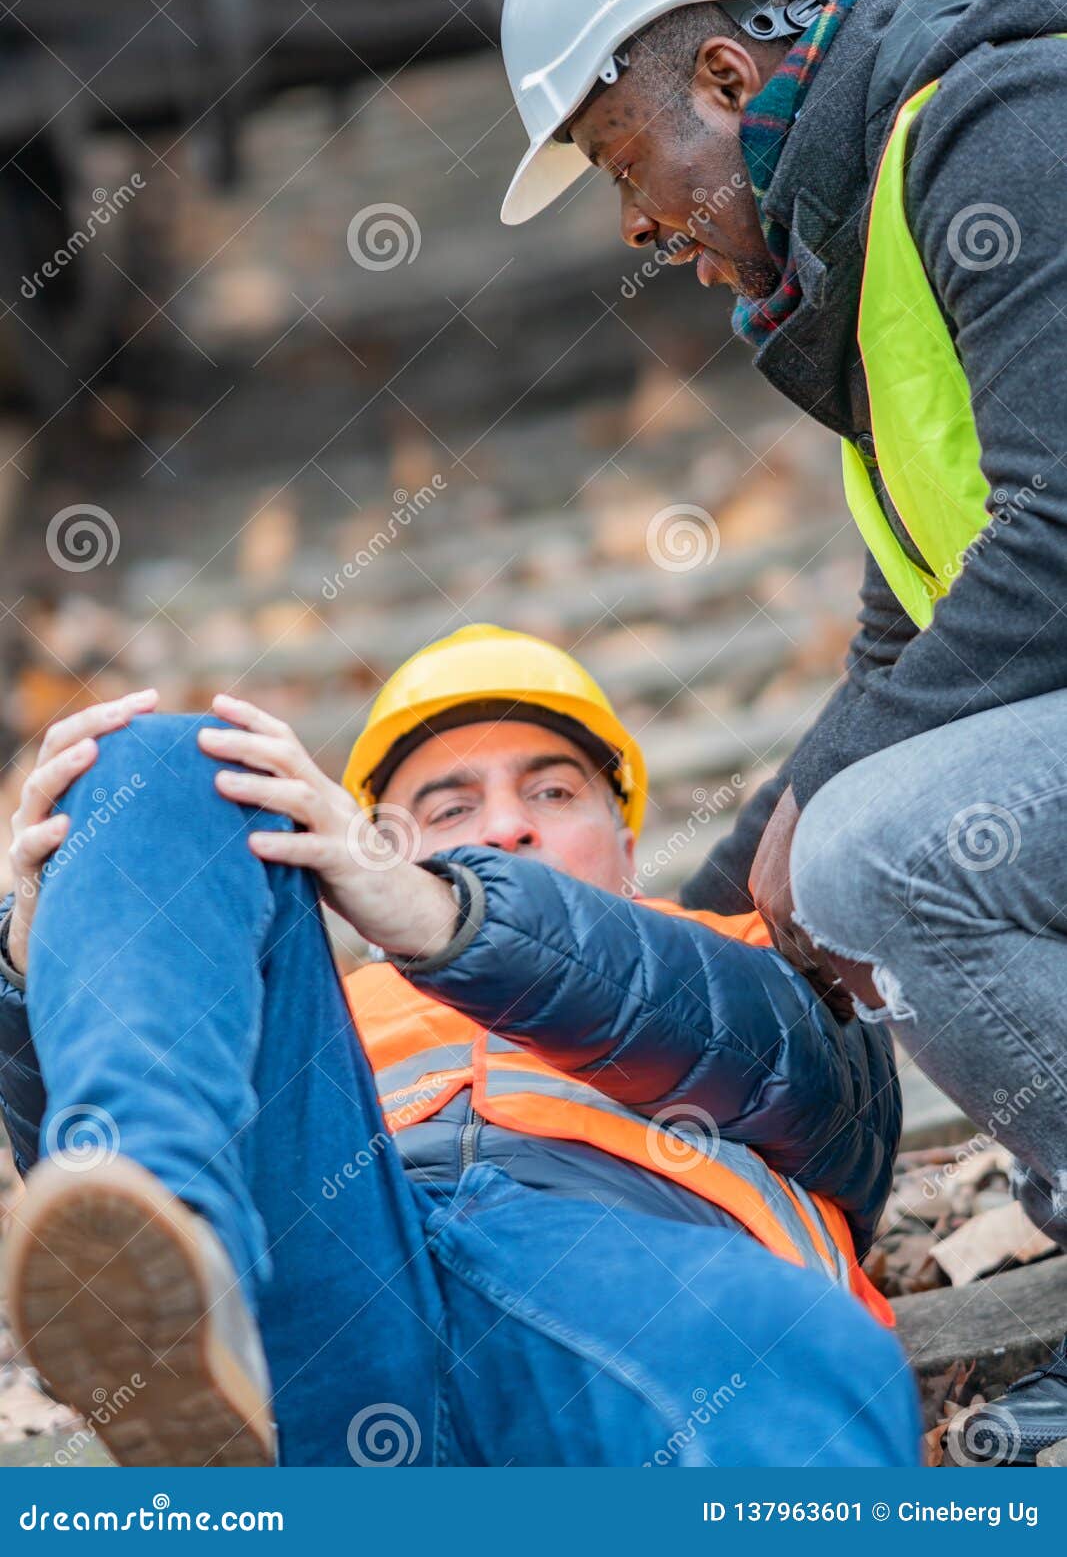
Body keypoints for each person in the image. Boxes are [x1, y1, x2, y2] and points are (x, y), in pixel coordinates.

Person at [499, 0, 1067, 1462]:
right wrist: (699, 907)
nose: (632, 223)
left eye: (624, 160)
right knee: (827, 839)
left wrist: (808, 850)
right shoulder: (872, 239)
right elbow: (915, 637)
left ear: (730, 83)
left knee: (881, 854)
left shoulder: (1001, 125)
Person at [0, 625, 918, 1467]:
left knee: (800, 1357)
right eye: (447, 812)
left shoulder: (745, 950)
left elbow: (812, 1084)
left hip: (643, 1314)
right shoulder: (288, 1006)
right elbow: (80, 1219)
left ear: (628, 841)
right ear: (359, 853)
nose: (505, 826)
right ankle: (185, 1249)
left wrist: (449, 914)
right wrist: (47, 954)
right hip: (327, 1300)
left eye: (552, 791)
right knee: (158, 761)